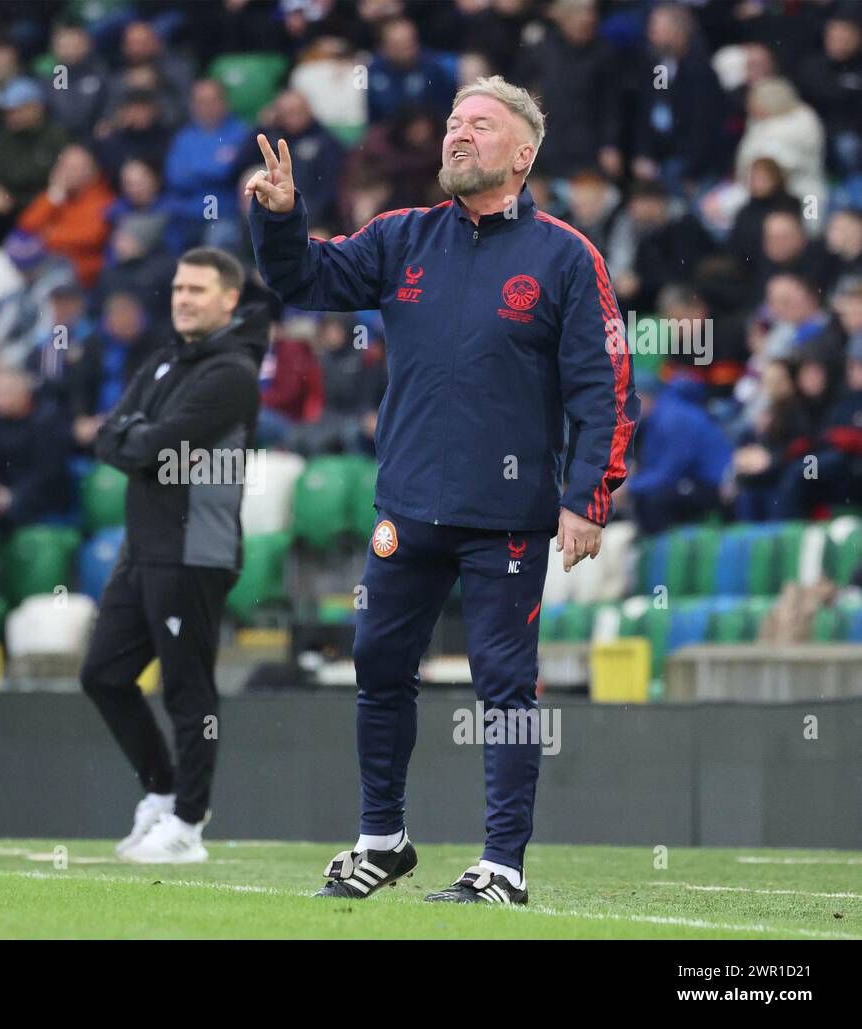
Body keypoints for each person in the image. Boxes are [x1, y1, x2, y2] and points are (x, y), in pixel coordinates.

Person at [248, 76, 638, 904]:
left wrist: (587, 497)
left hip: (509, 517)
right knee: (377, 663)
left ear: (523, 154)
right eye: (454, 122)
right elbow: (306, 282)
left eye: (480, 125)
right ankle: (382, 838)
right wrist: (281, 219)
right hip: (408, 506)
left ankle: (502, 865)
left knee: (505, 682)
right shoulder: (402, 236)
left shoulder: (568, 256)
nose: (457, 135)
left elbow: (603, 385)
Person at [79, 248, 266, 864]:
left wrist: (135, 439)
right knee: (103, 675)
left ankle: (188, 822)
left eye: (198, 289)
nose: (183, 298)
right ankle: (161, 792)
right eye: (179, 287)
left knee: (188, 690)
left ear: (229, 299)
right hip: (145, 547)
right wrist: (135, 440)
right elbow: (112, 439)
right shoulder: (164, 360)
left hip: (195, 550)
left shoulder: (232, 372)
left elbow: (156, 447)